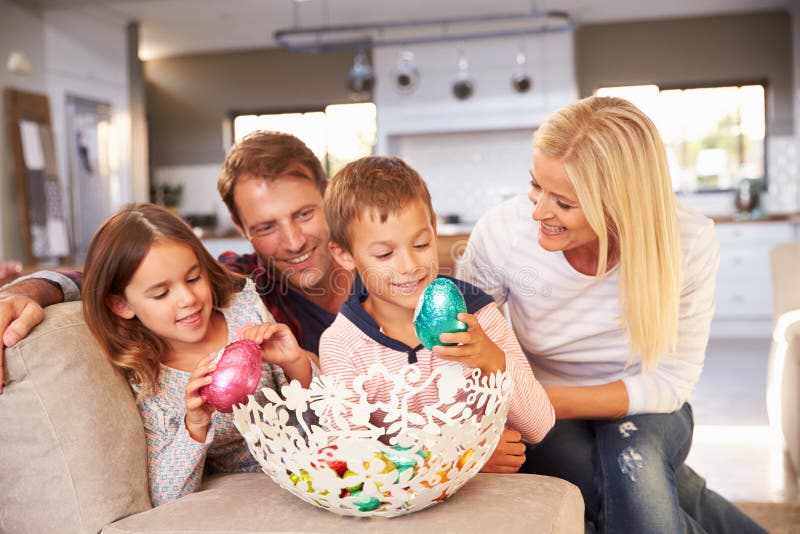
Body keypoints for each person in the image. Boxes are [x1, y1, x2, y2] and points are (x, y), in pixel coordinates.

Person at [0, 131, 524, 473]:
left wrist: (469, 446)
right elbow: (126, 274)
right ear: (242, 231)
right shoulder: (243, 286)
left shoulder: (401, 276)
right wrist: (32, 288)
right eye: (266, 227)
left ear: (331, 199)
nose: (293, 242)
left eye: (304, 214)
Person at [457, 96, 765, 533]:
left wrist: (544, 401)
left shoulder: (689, 241)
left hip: (646, 404)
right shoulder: (502, 233)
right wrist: (510, 414)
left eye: (563, 202)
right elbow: (466, 352)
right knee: (644, 490)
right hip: (543, 411)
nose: (538, 211)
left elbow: (670, 382)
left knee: (633, 468)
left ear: (622, 203)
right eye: (534, 185)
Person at [80, 203, 314, 506]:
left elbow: (316, 412)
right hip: (256, 493)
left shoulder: (244, 309)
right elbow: (167, 496)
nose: (188, 299)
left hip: (315, 455)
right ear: (122, 305)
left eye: (193, 279)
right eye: (161, 293)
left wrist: (294, 362)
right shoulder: (151, 380)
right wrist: (195, 424)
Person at [319, 156, 555, 445]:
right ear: (344, 254)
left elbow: (539, 426)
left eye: (421, 244)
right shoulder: (342, 344)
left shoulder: (476, 315)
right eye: (384, 254)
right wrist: (468, 454)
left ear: (433, 227)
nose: (408, 265)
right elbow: (349, 456)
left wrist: (491, 358)